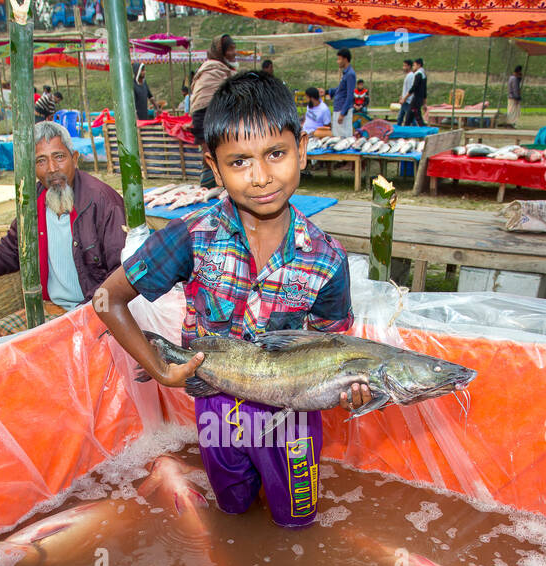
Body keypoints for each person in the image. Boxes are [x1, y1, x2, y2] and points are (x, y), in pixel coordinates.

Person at [92, 71, 363, 529]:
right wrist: (160, 369)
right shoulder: (192, 238)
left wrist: (352, 388)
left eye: (275, 154)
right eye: (239, 162)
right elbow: (107, 299)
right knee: (232, 513)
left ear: (302, 149)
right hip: (218, 409)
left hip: (292, 418)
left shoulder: (327, 259)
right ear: (214, 167)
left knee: (297, 523)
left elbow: (334, 348)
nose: (261, 176)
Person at [0, 121, 125, 317]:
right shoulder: (34, 202)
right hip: (52, 307)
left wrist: (84, 310)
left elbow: (121, 271)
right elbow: (12, 250)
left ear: (75, 158)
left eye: (59, 157)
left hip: (95, 310)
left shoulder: (102, 202)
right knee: (0, 331)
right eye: (41, 161)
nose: (52, 168)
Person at [189, 34, 238, 188]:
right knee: (210, 155)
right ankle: (209, 189)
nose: (233, 53)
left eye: (234, 49)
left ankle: (212, 187)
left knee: (216, 154)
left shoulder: (221, 69)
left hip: (214, 113)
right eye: (230, 49)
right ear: (221, 51)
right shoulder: (213, 69)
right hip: (204, 115)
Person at [327, 48, 356, 137]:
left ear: (345, 59)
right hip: (338, 107)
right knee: (336, 134)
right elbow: (340, 90)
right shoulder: (345, 73)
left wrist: (343, 113)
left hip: (343, 110)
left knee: (343, 136)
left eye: (339, 59)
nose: (337, 62)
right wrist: (327, 91)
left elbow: (349, 95)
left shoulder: (350, 74)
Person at [409, 58, 427, 126]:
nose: (413, 67)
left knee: (418, 116)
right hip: (419, 99)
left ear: (418, 65)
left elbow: (414, 88)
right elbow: (425, 90)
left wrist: (405, 98)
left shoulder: (418, 74)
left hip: (416, 99)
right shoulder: (423, 74)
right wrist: (425, 103)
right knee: (411, 116)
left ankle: (423, 128)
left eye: (414, 65)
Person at [397, 59, 415, 126]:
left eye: (405, 66)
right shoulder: (408, 76)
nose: (403, 67)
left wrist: (404, 98)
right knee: (400, 117)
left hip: (407, 101)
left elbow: (410, 90)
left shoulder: (410, 76)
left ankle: (416, 128)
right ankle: (398, 129)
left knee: (410, 118)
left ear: (409, 66)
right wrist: (402, 96)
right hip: (405, 100)